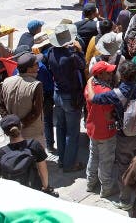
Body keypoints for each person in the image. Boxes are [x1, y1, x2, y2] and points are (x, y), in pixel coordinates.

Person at [88, 61, 136, 211]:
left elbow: (93, 98)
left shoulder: (115, 93)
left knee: (123, 168)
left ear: (121, 75)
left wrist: (89, 81)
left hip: (123, 138)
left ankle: (125, 200)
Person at [46, 23, 86, 172]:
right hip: (70, 96)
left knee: (61, 128)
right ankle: (69, 164)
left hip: (58, 94)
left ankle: (62, 159)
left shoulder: (50, 52)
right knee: (72, 131)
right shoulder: (71, 56)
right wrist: (79, 50)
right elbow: (82, 65)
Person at [0, 114, 56, 196]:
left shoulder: (0, 153)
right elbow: (43, 169)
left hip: (13, 194)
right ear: (21, 126)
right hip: (34, 188)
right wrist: (46, 187)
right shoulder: (34, 145)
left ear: (5, 133)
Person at [84, 60, 119, 198]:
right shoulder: (107, 92)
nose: (111, 74)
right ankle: (106, 188)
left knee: (93, 156)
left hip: (92, 128)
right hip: (105, 131)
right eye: (108, 72)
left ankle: (90, 183)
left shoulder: (89, 87)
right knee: (106, 160)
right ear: (101, 74)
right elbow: (109, 115)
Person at [0, 52, 45, 147]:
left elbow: (1, 106)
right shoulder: (36, 85)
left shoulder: (7, 81)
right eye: (36, 64)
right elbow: (36, 112)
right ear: (29, 68)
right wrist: (20, 125)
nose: (38, 66)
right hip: (32, 133)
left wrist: (11, 124)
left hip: (13, 132)